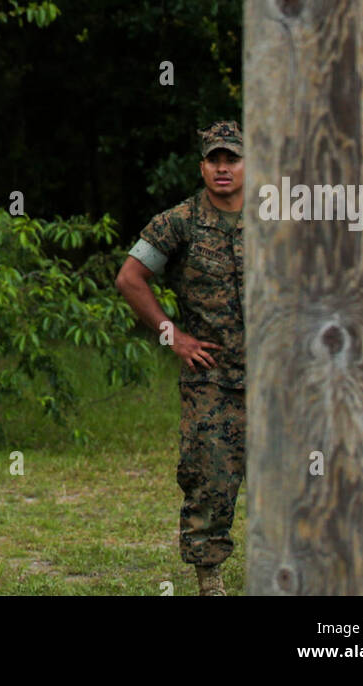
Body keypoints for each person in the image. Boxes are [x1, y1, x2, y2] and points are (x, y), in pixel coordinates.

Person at [115, 121, 245, 597]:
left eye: (232, 159)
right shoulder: (179, 221)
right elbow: (130, 279)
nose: (223, 168)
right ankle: (210, 582)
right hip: (212, 378)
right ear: (202, 167)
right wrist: (175, 337)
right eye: (215, 159)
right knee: (209, 479)